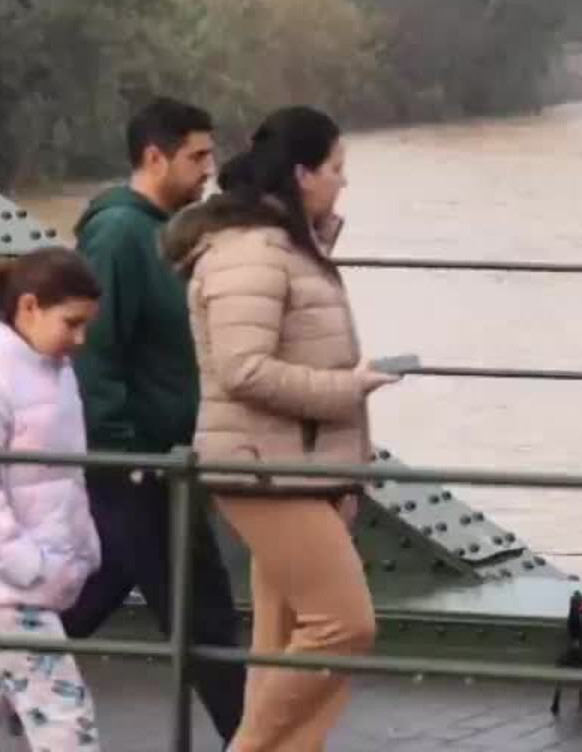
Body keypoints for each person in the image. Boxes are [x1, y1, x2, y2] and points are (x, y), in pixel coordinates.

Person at [163, 106, 399, 750]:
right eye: (335, 169)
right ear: (301, 173)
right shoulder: (252, 251)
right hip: (262, 469)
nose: (343, 182)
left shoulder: (289, 246)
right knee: (344, 625)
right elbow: (243, 370)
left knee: (282, 641)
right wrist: (348, 390)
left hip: (295, 465)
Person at [60, 97, 246, 743]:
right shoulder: (118, 233)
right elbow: (95, 345)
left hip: (160, 458)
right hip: (141, 463)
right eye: (197, 155)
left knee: (97, 593)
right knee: (206, 616)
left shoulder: (161, 229)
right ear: (153, 156)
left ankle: (2, 679)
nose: (208, 168)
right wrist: (121, 452)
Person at [0, 248, 105, 751]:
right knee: (64, 716)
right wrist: (31, 565)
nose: (80, 339)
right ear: (29, 307)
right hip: (1, 580)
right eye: (71, 323)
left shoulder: (49, 367)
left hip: (10, 574)